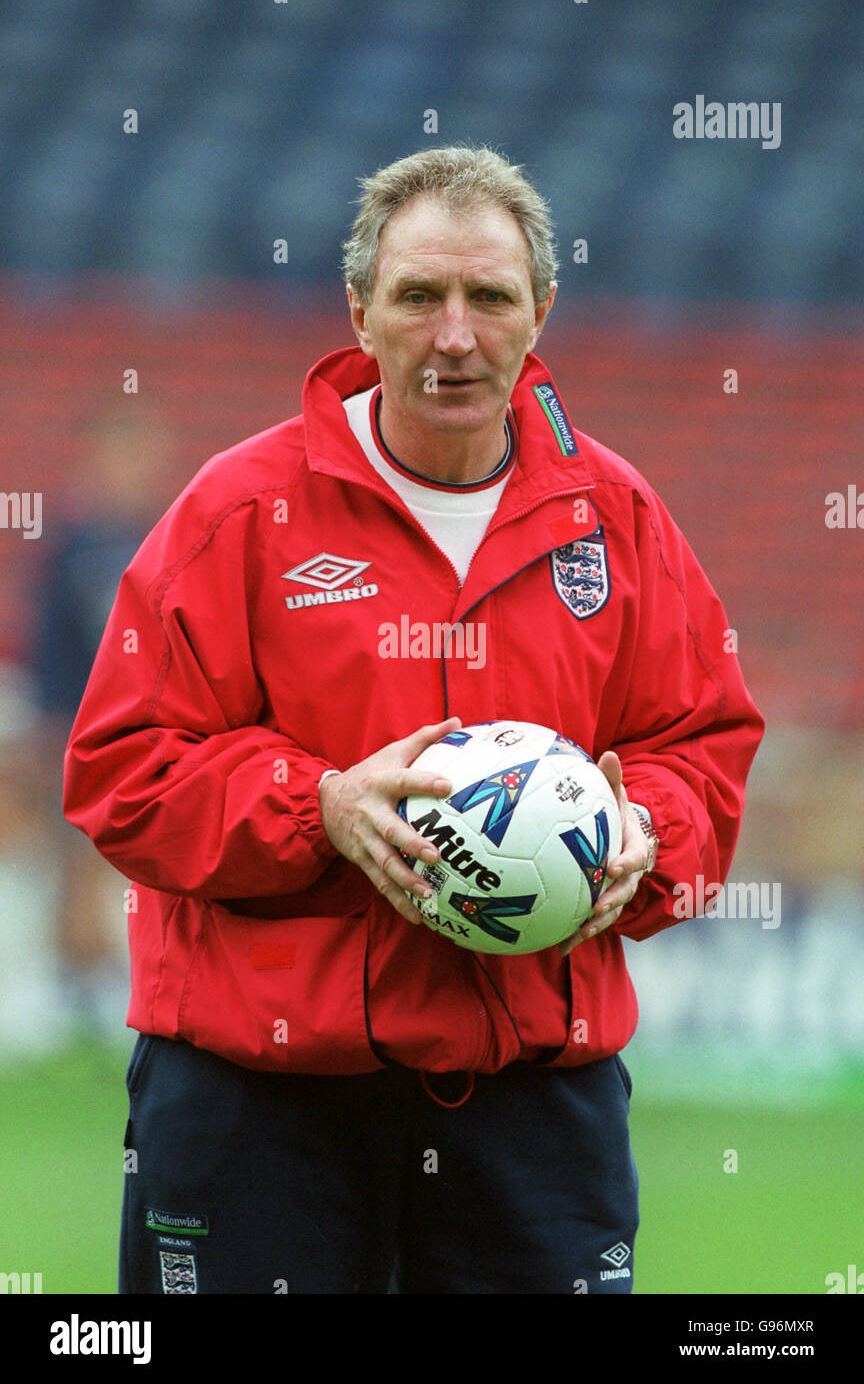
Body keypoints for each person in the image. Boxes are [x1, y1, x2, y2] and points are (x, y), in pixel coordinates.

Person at [63, 146, 764, 1295]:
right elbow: (120, 767)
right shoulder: (238, 513)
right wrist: (320, 807)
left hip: (531, 1110)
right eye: (419, 296)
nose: (455, 335)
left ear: (541, 310)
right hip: (258, 1104)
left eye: (489, 298)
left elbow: (702, 749)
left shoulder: (620, 520)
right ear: (360, 311)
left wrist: (650, 836)